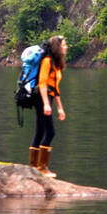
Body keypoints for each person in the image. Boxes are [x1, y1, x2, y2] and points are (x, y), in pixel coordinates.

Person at [29, 36, 67, 177]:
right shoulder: (47, 61)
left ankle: (33, 168)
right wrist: (46, 103)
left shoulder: (56, 64)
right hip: (41, 98)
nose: (66, 47)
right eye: (64, 45)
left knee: (40, 131)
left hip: (48, 98)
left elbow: (55, 89)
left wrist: (60, 108)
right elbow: (43, 83)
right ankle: (41, 168)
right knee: (50, 132)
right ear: (58, 46)